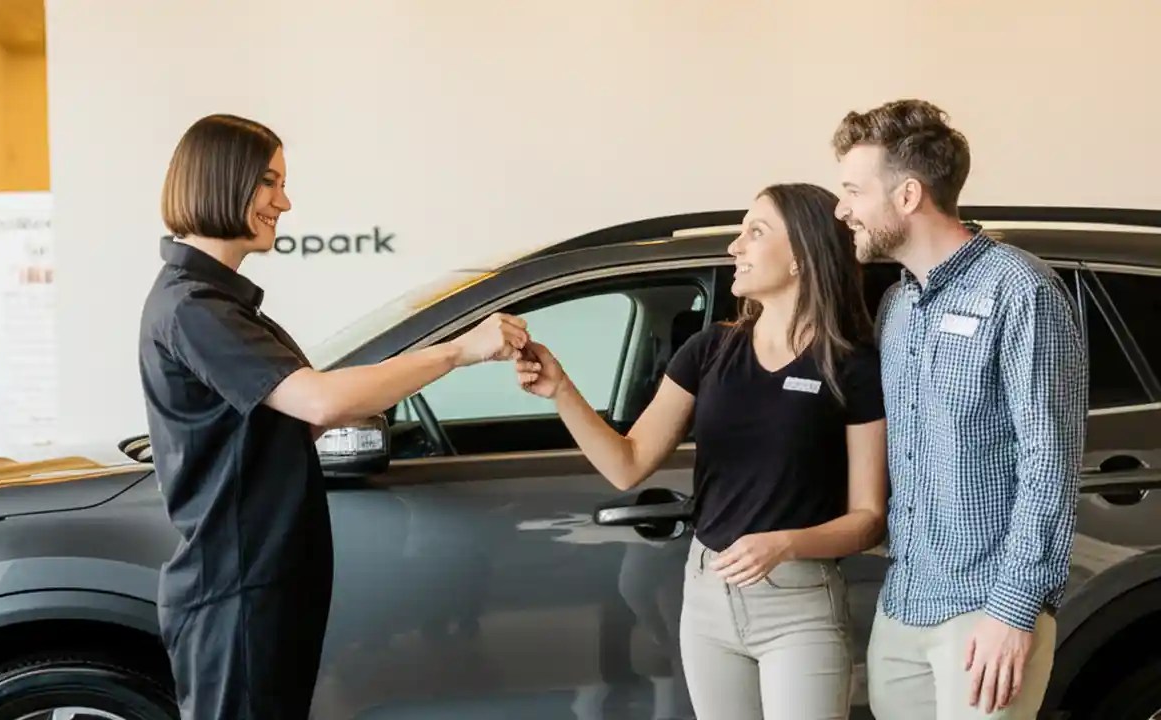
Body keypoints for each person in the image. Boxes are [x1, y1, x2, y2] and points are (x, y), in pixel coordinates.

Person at [138, 113, 530, 720]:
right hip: (237, 591)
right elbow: (321, 401)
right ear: (223, 181)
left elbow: (303, 420)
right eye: (270, 183)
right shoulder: (195, 308)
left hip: (258, 586)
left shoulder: (216, 304)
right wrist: (457, 350)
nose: (284, 202)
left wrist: (371, 392)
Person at [516, 183, 889, 720]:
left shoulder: (851, 370)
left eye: (754, 233)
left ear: (803, 259)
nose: (735, 247)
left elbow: (868, 519)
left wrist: (784, 544)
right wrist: (561, 391)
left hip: (799, 605)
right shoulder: (709, 349)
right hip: (708, 599)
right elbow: (627, 464)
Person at [831, 99, 1089, 719]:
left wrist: (1014, 609)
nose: (843, 210)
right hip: (905, 604)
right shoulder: (896, 307)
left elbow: (1049, 465)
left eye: (853, 191)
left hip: (987, 607)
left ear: (909, 196)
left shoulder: (1021, 290)